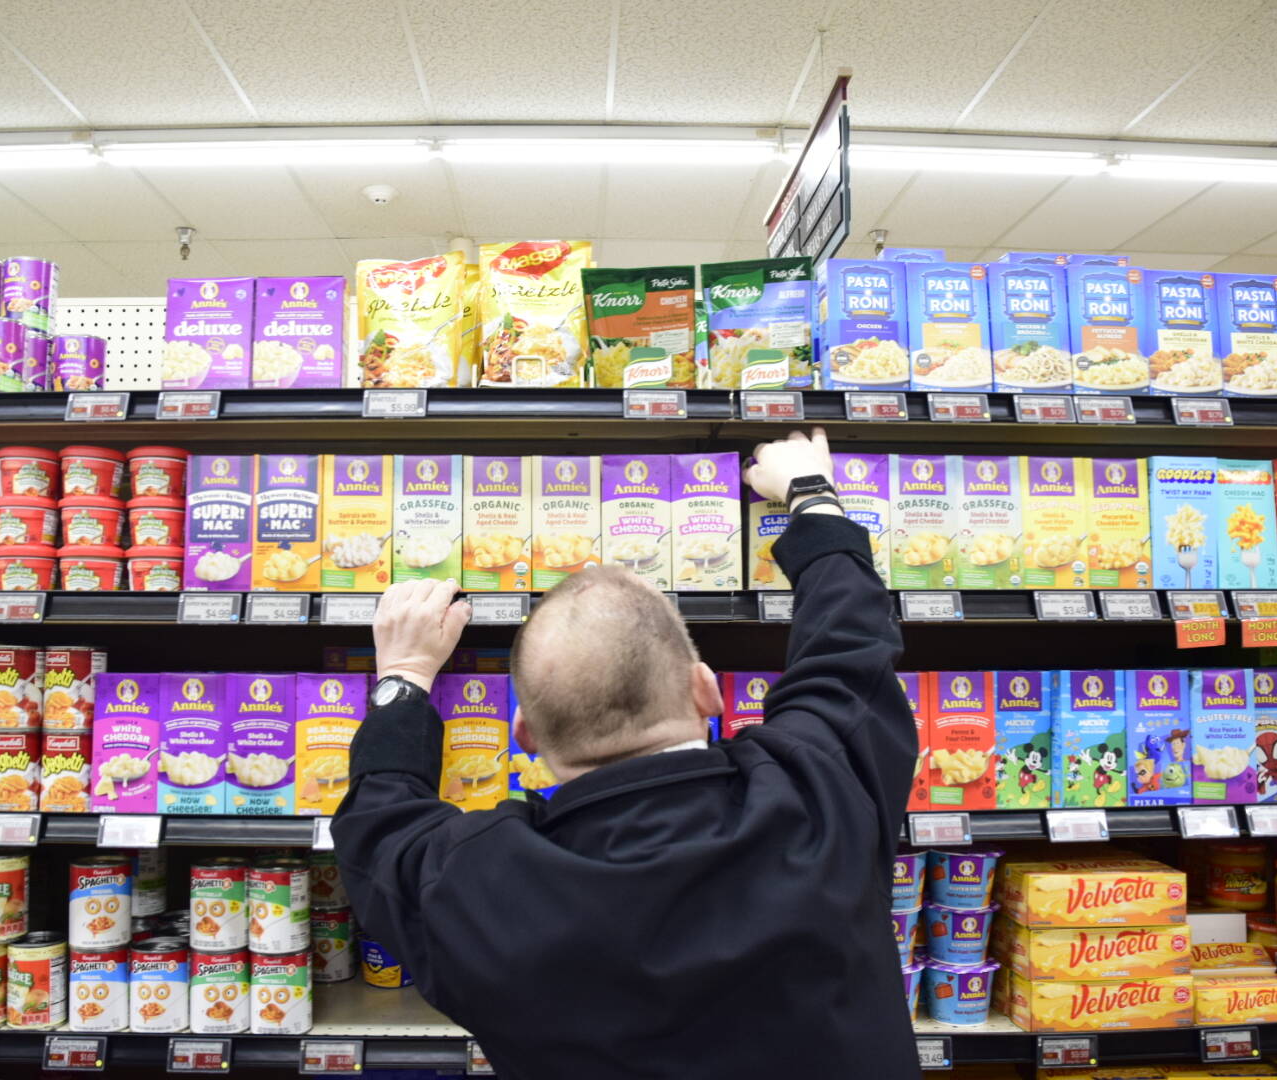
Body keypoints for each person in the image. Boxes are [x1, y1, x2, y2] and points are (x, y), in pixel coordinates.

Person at [333, 428, 921, 1079]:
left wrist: (406, 671)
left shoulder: (476, 887)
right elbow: (848, 648)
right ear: (707, 691)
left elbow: (377, 820)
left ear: (524, 734)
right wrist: (811, 494)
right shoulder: (814, 797)